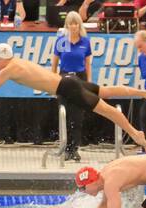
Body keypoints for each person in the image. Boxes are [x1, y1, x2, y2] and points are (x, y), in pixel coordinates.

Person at [0, 43, 146, 150]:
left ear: (0, 57)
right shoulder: (15, 62)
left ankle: (134, 133)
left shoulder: (9, 69)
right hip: (67, 81)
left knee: (108, 111)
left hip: (67, 88)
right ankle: (144, 93)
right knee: (106, 91)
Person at [51, 11, 92, 161]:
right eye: (71, 23)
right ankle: (65, 148)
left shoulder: (85, 42)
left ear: (79, 25)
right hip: (64, 78)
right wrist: (53, 83)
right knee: (65, 115)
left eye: (76, 23)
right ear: (67, 25)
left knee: (78, 117)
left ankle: (74, 149)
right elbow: (54, 64)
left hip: (80, 78)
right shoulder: (61, 41)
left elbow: (88, 64)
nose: (74, 26)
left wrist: (88, 83)